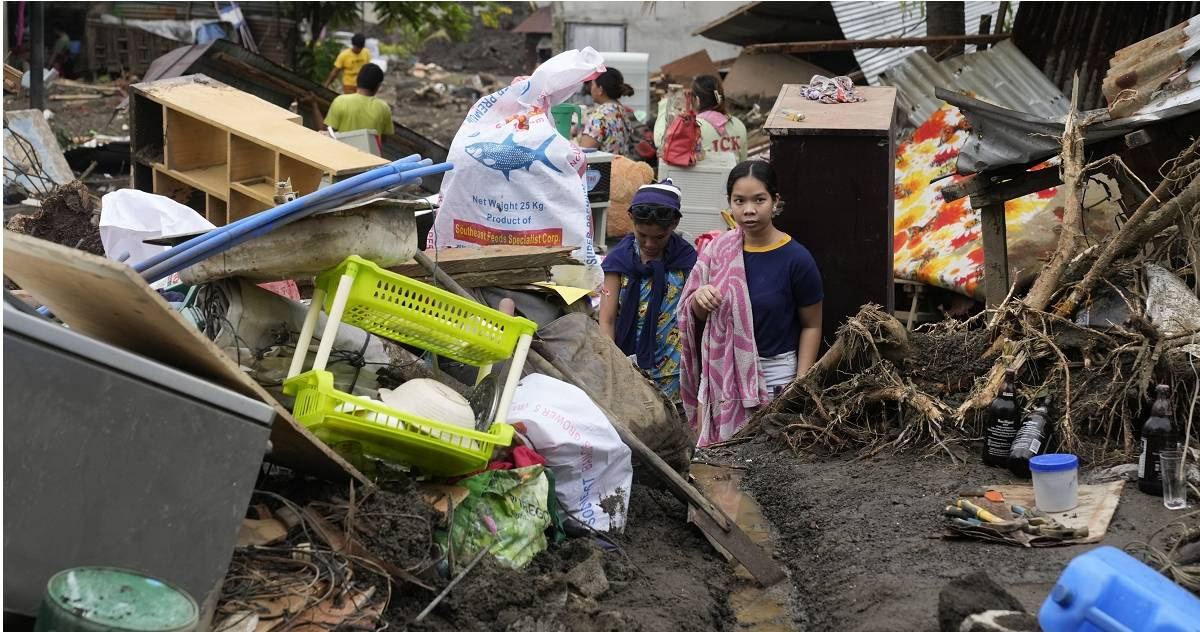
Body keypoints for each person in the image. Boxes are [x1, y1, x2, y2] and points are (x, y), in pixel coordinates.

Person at [679, 160, 823, 447]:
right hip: (724, 380)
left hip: (775, 377)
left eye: (759, 200)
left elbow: (812, 325)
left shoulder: (796, 259)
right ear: (729, 203)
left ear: (775, 201)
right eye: (739, 201)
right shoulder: (717, 251)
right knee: (725, 464)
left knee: (770, 464)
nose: (749, 210)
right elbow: (690, 315)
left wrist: (800, 383)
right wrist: (699, 300)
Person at [600, 180, 697, 399]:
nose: (650, 244)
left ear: (673, 225)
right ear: (632, 221)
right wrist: (612, 363)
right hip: (626, 366)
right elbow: (606, 320)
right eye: (642, 235)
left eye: (659, 237)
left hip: (673, 369)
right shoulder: (618, 261)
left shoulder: (687, 260)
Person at [654, 75, 748, 162]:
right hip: (731, 179)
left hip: (703, 180)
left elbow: (660, 141)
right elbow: (742, 163)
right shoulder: (738, 124)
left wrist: (666, 102)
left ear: (697, 100)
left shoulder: (694, 126)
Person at [317, 63, 394, 145]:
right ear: (378, 86)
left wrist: (314, 104)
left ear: (357, 80)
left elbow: (326, 131)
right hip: (370, 156)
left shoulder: (341, 101)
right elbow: (384, 137)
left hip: (343, 153)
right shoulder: (384, 108)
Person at [577, 68, 635, 156]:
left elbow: (583, 153)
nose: (591, 89)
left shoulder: (600, 116)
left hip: (604, 168)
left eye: (592, 84)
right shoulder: (621, 110)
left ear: (600, 89)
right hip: (621, 167)